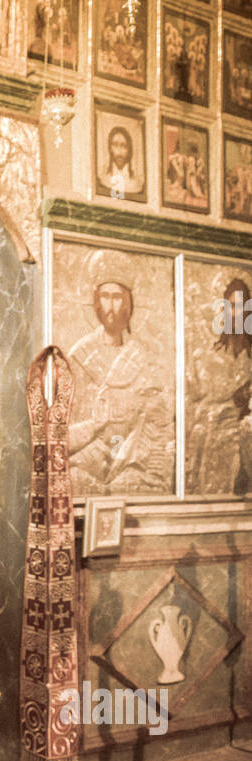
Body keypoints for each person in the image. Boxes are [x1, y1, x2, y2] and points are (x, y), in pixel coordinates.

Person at [67, 258, 173, 495]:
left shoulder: (143, 357)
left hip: (134, 454)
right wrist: (95, 424)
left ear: (128, 303)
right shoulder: (80, 356)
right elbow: (62, 430)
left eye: (117, 297)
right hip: (93, 453)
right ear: (96, 302)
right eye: (105, 296)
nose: (111, 306)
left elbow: (158, 422)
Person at [187, 277, 252, 496]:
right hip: (216, 438)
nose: (237, 313)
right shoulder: (211, 355)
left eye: (243, 307)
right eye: (232, 306)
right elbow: (199, 398)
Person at [97, 125, 144, 199]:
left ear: (129, 150)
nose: (119, 152)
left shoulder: (136, 183)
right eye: (115, 145)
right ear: (110, 148)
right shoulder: (104, 178)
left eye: (124, 146)